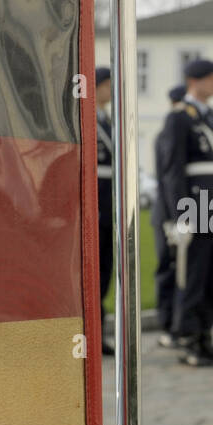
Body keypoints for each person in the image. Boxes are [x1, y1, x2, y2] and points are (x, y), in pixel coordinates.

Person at [157, 59, 213, 367]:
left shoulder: (211, 118)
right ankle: (188, 340)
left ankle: (205, 337)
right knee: (192, 277)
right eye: (211, 79)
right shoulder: (179, 118)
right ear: (195, 81)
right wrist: (180, 215)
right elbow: (172, 170)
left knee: (209, 276)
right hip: (195, 206)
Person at [153, 84, 187, 347]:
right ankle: (167, 325)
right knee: (169, 267)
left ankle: (177, 323)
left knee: (181, 271)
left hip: (173, 210)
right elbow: (169, 178)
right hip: (167, 211)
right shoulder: (170, 129)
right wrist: (175, 216)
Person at [94, 67, 116, 355]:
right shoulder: (85, 118)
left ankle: (100, 332)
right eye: (107, 85)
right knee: (94, 273)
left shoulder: (109, 121)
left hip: (109, 209)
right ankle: (93, 333)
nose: (111, 90)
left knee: (106, 273)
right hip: (96, 208)